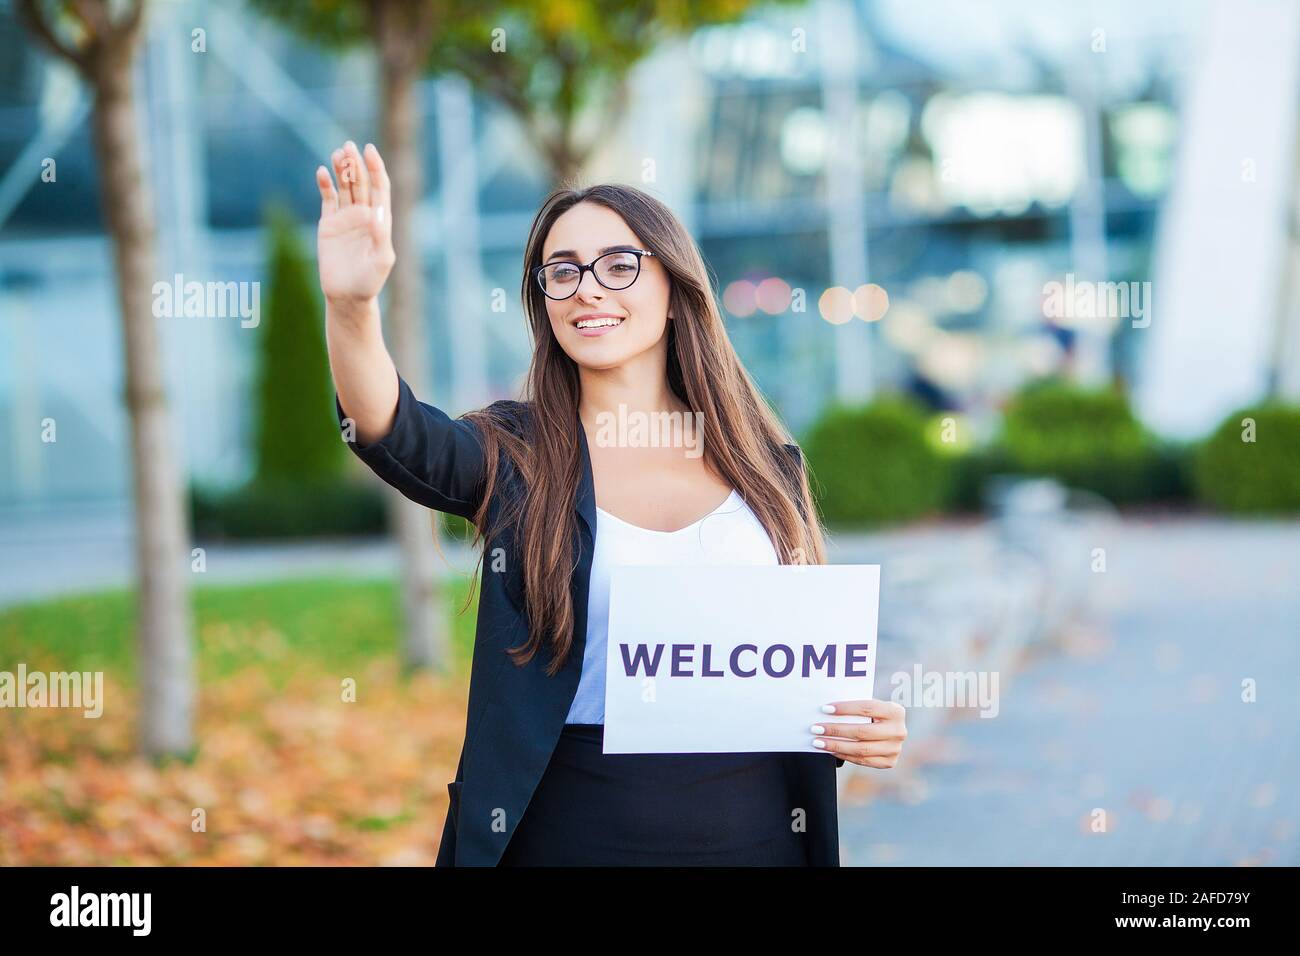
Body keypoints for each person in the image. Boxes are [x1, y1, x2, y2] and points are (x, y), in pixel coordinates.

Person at [315, 140, 907, 866]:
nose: (587, 289)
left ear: (674, 289)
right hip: (570, 835)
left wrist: (858, 727)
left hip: (756, 835)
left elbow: (791, 674)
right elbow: (391, 428)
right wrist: (351, 307)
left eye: (618, 266)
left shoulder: (766, 469)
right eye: (561, 273)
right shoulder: (514, 456)